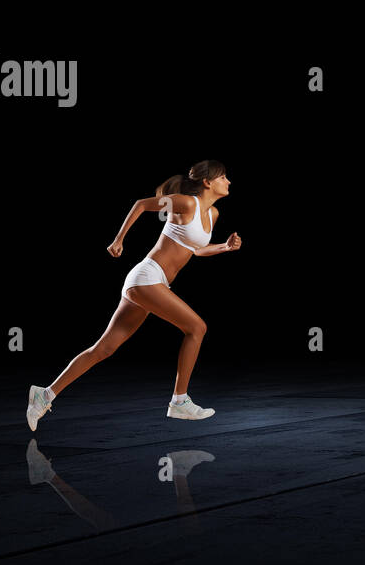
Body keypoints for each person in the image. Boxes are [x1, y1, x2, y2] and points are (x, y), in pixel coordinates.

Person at [26, 159, 241, 431]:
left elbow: (196, 249)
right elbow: (141, 204)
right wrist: (119, 240)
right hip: (147, 277)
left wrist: (223, 247)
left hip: (153, 283)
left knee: (104, 348)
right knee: (197, 327)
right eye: (224, 177)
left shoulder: (213, 215)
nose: (229, 181)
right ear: (208, 181)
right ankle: (179, 401)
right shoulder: (185, 203)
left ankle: (44, 394)